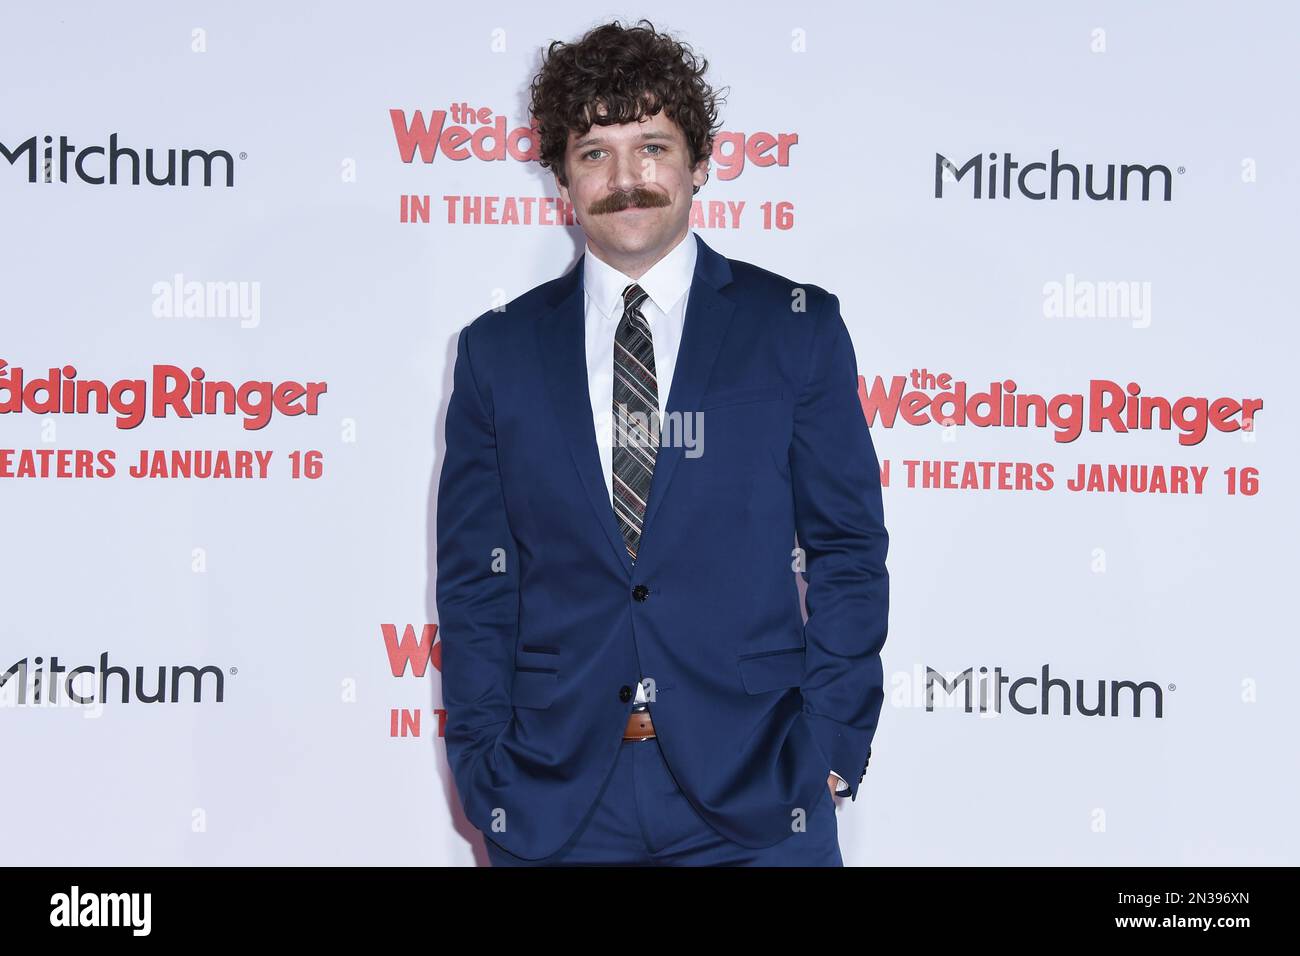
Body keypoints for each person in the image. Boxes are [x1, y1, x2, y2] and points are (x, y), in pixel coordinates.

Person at [436, 19, 888, 866]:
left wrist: (829, 740)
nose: (626, 179)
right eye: (595, 153)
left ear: (700, 164)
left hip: (759, 789)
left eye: (651, 146)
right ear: (562, 180)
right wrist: (483, 765)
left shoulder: (793, 328)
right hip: (558, 795)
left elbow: (849, 548)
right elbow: (474, 585)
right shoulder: (498, 352)